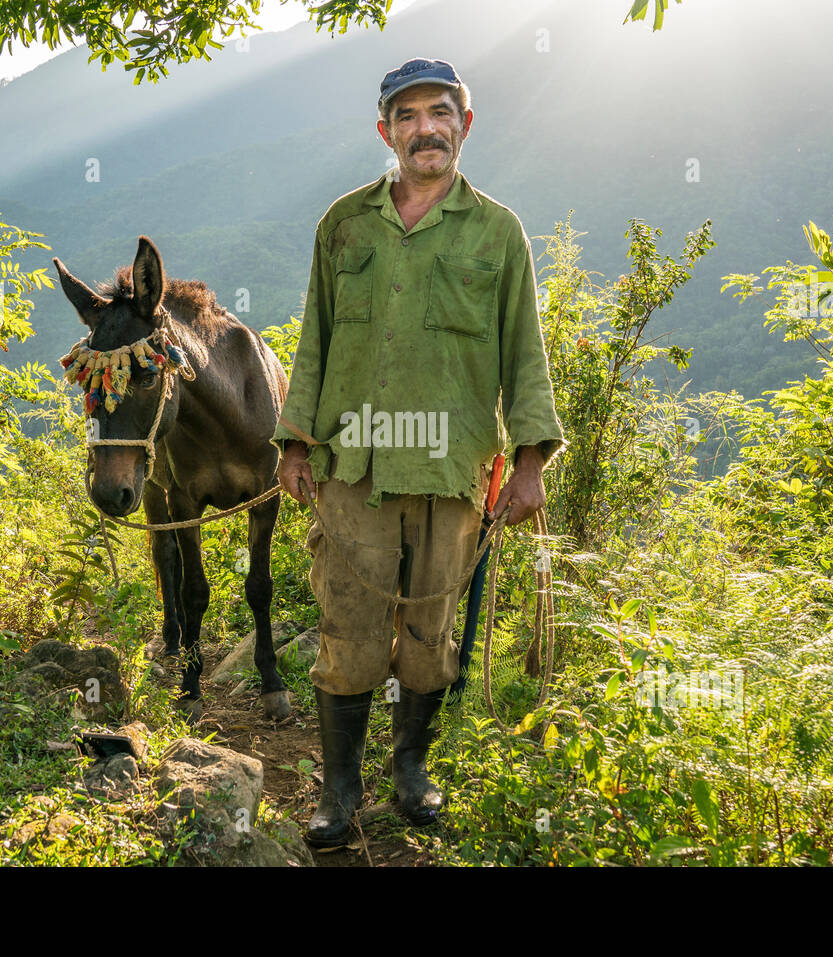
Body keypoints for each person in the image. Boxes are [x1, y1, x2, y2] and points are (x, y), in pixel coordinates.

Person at [272, 57, 566, 848]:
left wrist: (531, 462)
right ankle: (338, 789)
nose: (424, 129)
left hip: (450, 470)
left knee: (432, 636)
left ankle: (410, 771)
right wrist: (295, 443)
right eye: (407, 117)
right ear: (385, 131)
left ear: (464, 125)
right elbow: (315, 338)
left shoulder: (497, 233)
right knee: (350, 627)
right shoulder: (344, 224)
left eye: (440, 113)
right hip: (353, 468)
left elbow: (524, 353)